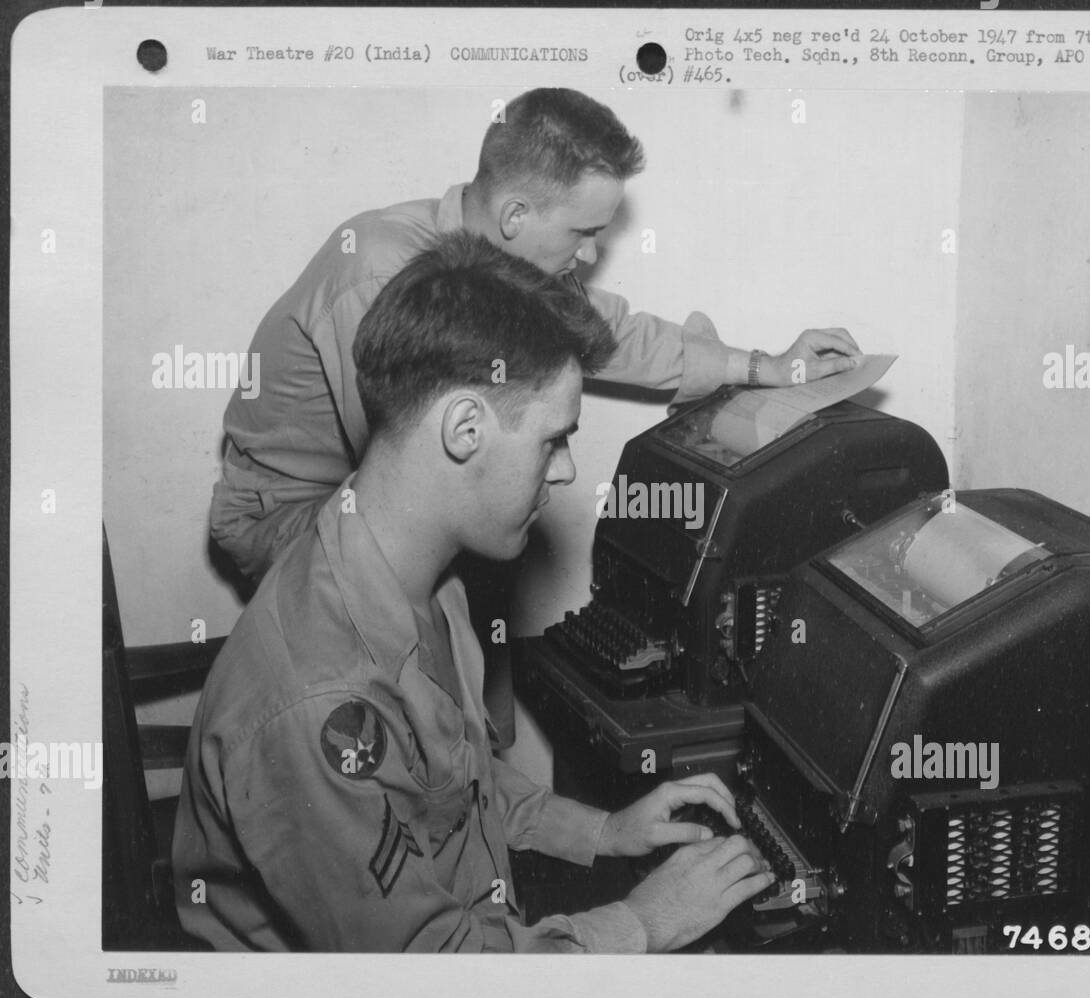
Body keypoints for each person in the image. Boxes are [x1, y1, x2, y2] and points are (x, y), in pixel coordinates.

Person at [172, 231, 775, 952]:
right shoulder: (318, 703)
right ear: (464, 429)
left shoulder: (423, 573)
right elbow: (433, 976)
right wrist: (644, 922)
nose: (563, 471)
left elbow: (454, 786)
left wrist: (604, 831)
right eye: (553, 439)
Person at [211, 86, 863, 583]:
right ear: (516, 215)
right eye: (583, 232)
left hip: (378, 491)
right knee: (462, 558)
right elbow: (405, 483)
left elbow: (612, 333)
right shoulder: (379, 274)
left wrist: (766, 366)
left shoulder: (503, 257)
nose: (588, 255)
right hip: (291, 505)